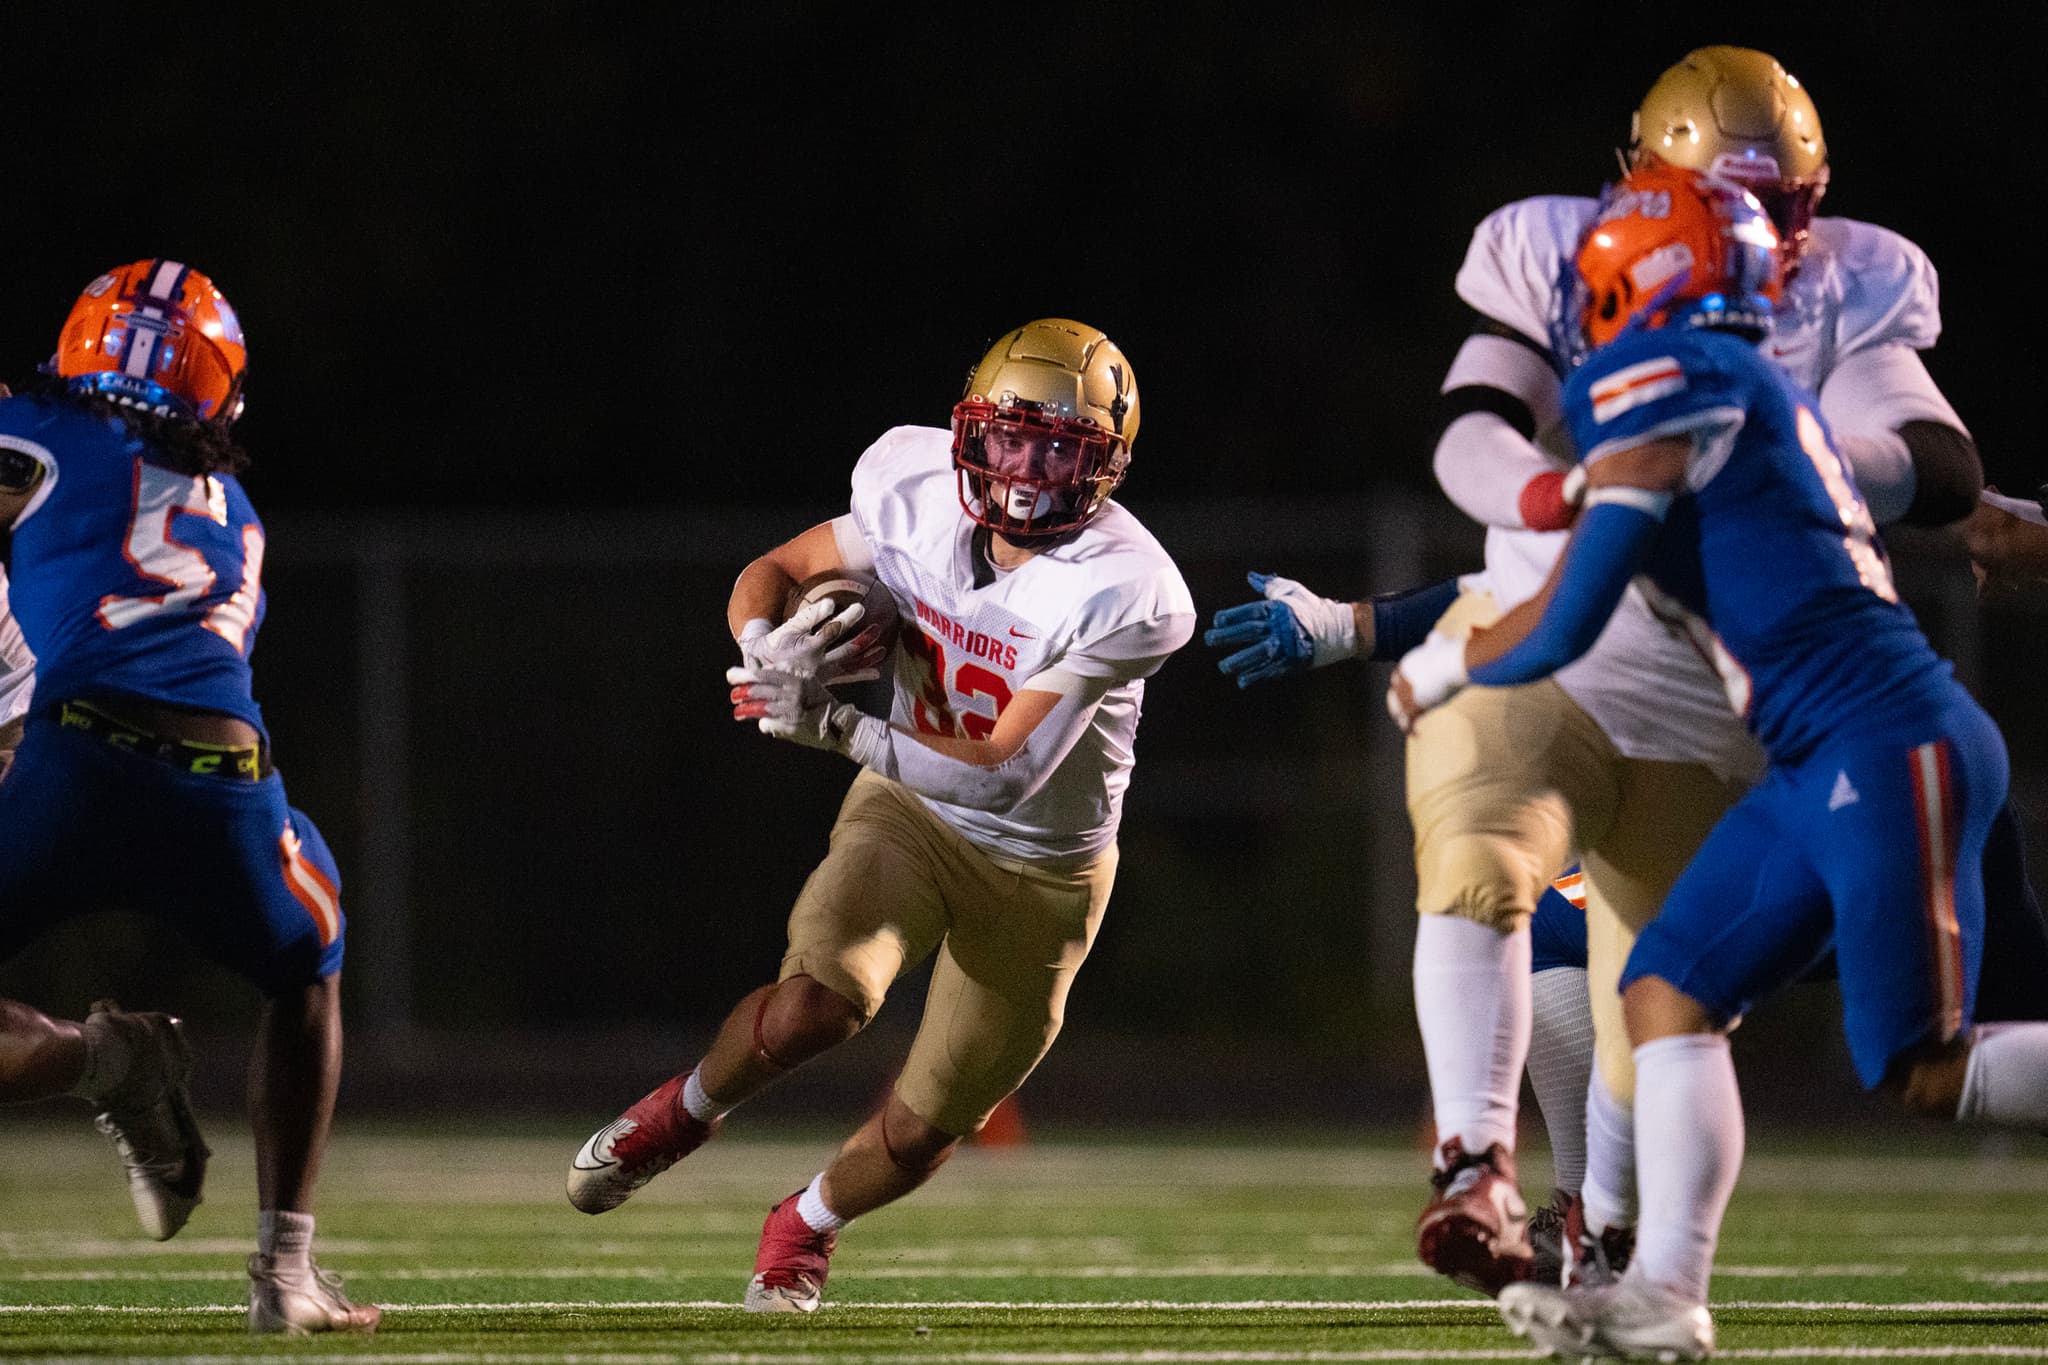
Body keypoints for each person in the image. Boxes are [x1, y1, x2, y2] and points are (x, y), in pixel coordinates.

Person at [1205, 46, 1999, 1295]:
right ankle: (1494, 1176)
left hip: (1740, 722)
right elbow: (1490, 458)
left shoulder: (1716, 361)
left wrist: (1439, 652)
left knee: (1719, 1021)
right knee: (1528, 896)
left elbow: (1934, 463)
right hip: (1625, 673)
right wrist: (1487, 560)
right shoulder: (1639, 321)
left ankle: (1614, 1237)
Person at [1385, 164, 2048, 1361]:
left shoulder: (1667, 375)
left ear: (1647, 276)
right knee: (1666, 996)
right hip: (1810, 753)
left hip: (1878, 741)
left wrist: (1437, 669)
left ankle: (1652, 1276)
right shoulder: (1745, 382)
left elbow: (1575, 610)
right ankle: (1663, 1296)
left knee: (1921, 1071)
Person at [565, 318, 1194, 1312]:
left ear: (1103, 466)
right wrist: (768, 645)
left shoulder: (1131, 590)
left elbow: (1002, 775)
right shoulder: (909, 491)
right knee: (821, 1001)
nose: (1027, 470)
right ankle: (685, 1112)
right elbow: (766, 574)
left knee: (927, 1122)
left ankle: (804, 1223)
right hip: (907, 813)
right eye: (1012, 436)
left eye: (1059, 448)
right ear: (970, 432)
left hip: (1044, 866)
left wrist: (839, 729)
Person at [0, 260, 379, 1336]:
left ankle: (102, 1058)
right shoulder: (234, 504)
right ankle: (285, 1271)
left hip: (73, 760)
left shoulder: (45, 431)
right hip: (223, 788)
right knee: (311, 961)